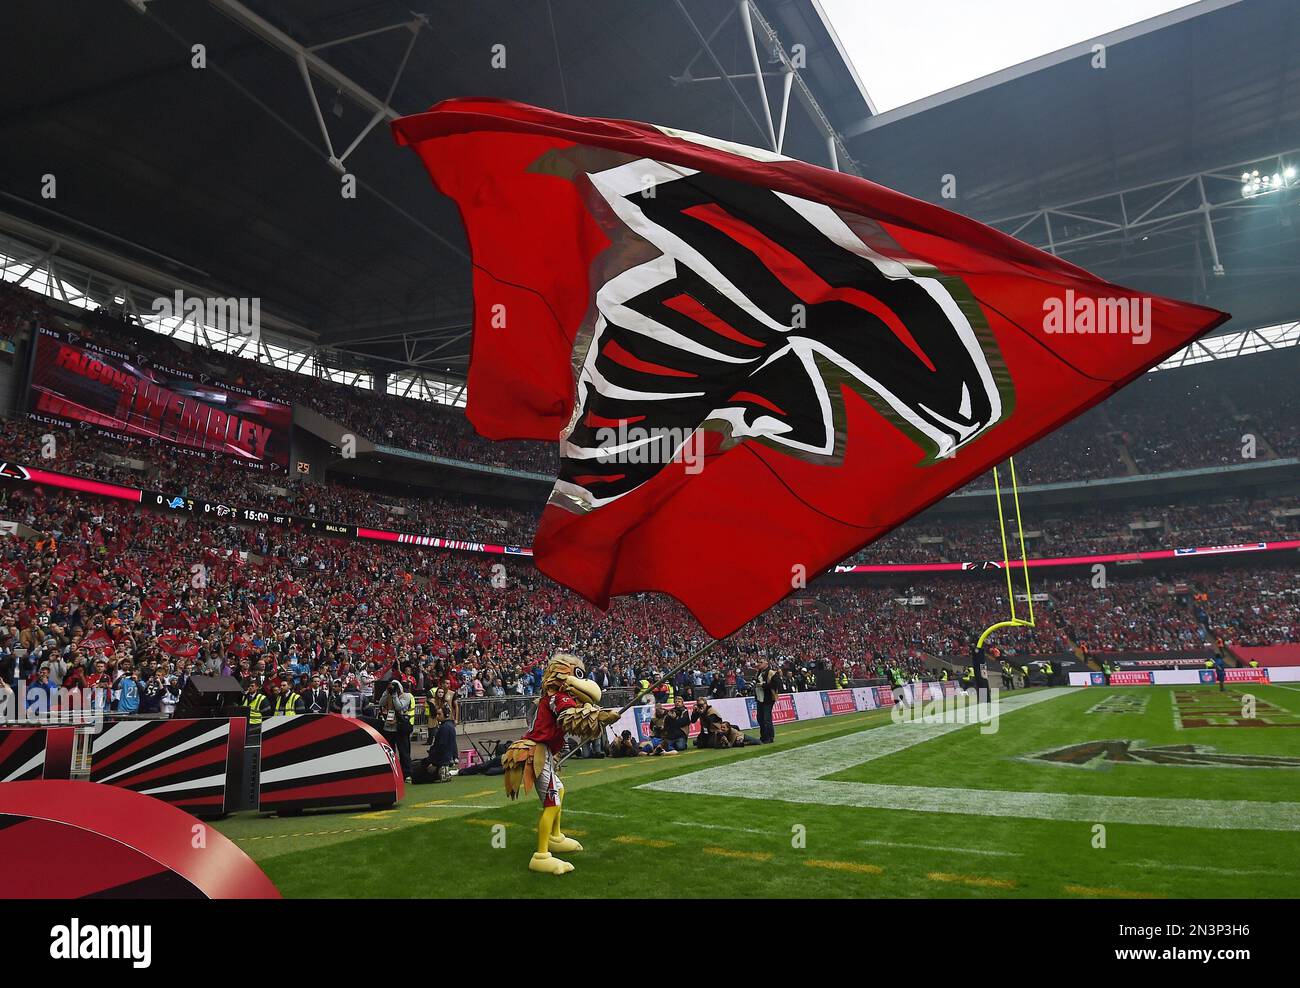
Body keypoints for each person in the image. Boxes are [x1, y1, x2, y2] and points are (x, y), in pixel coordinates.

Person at [377, 679, 414, 782]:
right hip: (388, 727)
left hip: (400, 727)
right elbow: (381, 703)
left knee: (404, 752)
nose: (392, 688)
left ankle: (407, 774)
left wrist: (394, 695)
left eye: (394, 686)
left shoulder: (406, 696)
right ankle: (392, 773)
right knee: (390, 752)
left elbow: (399, 706)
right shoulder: (388, 694)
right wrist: (386, 692)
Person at [753, 658, 780, 744]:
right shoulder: (758, 673)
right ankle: (763, 736)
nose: (759, 664)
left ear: (766, 664)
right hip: (759, 698)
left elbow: (775, 684)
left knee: (767, 719)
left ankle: (769, 737)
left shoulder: (771, 673)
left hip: (767, 698)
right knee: (760, 718)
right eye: (758, 662)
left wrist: (763, 685)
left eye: (761, 662)